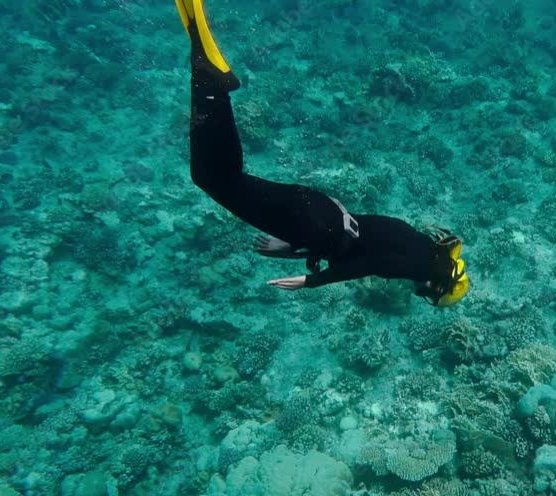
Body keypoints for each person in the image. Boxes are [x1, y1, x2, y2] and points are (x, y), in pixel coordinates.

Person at [174, 0, 470, 307]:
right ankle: (211, 81)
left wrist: (294, 247)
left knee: (221, 179)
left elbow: (356, 238)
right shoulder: (415, 266)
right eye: (431, 295)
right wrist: (310, 282)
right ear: (440, 284)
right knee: (217, 179)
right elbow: (365, 264)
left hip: (315, 213)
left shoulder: (419, 244)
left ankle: (209, 80)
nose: (421, 293)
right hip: (309, 223)